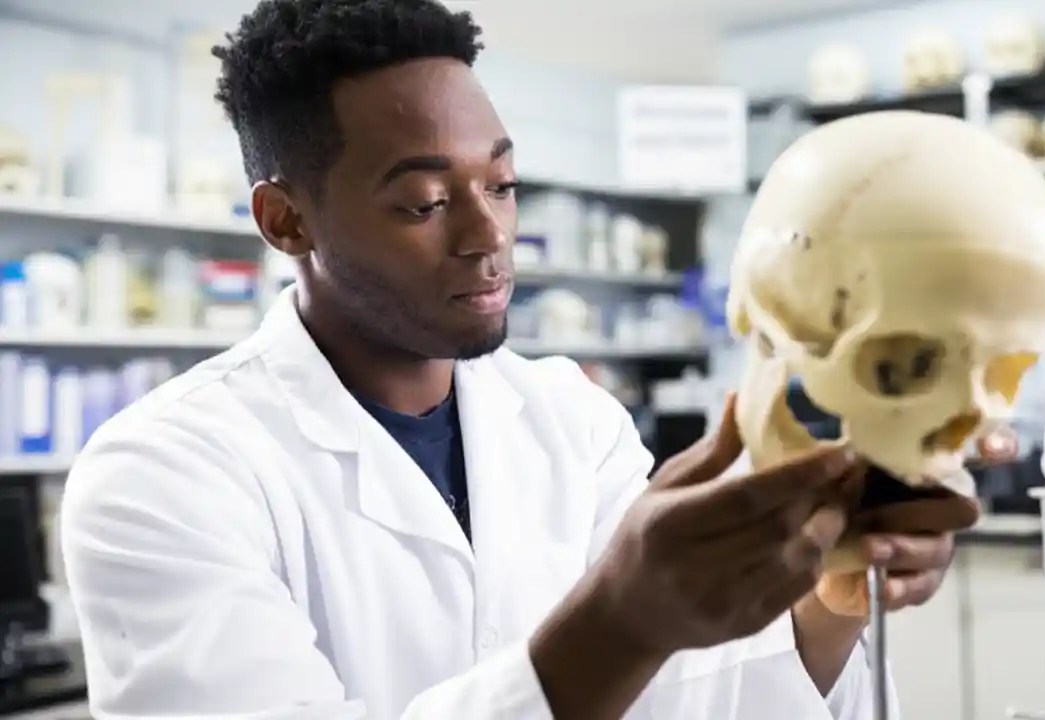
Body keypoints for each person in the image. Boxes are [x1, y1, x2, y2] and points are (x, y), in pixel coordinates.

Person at [59, 1, 960, 718]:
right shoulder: (159, 475)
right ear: (286, 220)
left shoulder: (573, 421)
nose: (489, 236)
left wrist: (828, 605)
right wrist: (618, 616)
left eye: (501, 184)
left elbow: (692, 693)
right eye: (422, 201)